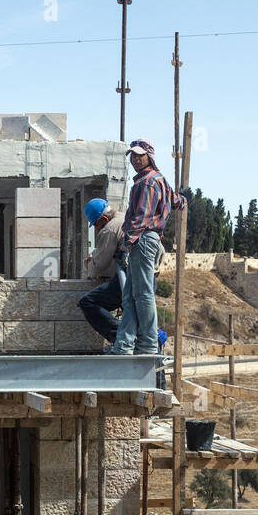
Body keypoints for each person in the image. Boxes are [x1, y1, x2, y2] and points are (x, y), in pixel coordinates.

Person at [109, 138, 186, 356]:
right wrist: (184, 199)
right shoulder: (158, 179)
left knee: (142, 295)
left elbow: (141, 217)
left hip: (142, 239)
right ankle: (124, 345)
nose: (135, 159)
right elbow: (176, 200)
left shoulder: (146, 183)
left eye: (139, 155)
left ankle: (149, 344)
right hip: (146, 239)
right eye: (133, 156)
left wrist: (126, 244)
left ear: (149, 156)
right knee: (132, 296)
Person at [78, 198, 127, 347]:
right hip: (146, 277)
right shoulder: (125, 218)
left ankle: (121, 338)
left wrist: (89, 264)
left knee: (88, 302)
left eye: (97, 225)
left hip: (128, 279)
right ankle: (132, 338)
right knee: (135, 314)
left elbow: (99, 265)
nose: (98, 229)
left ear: (104, 219)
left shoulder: (110, 229)